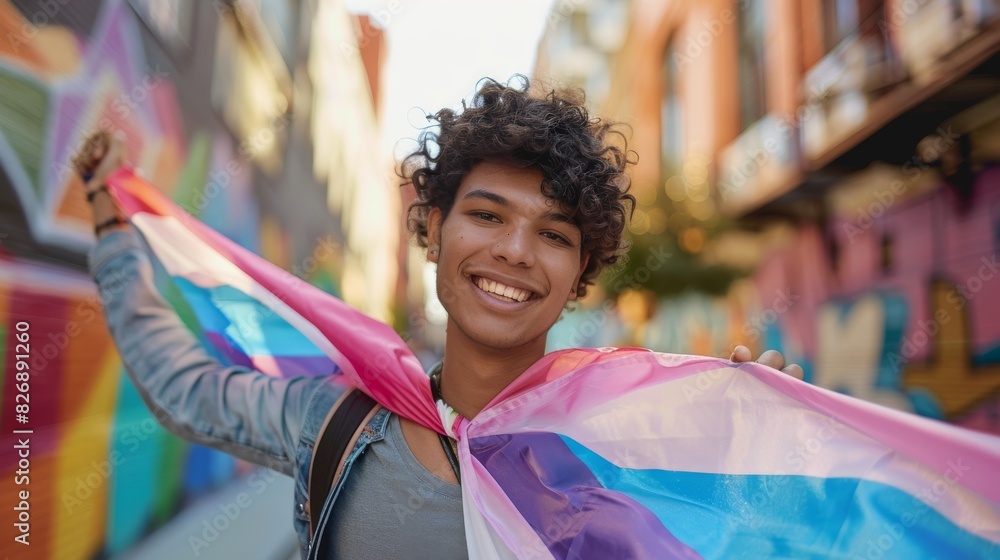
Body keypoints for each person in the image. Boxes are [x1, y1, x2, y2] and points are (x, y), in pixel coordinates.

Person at [79, 77, 801, 559]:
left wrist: (767, 468)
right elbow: (181, 387)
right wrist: (114, 230)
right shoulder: (337, 425)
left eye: (553, 234)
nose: (514, 251)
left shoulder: (635, 455)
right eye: (486, 215)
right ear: (434, 231)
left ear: (580, 272)